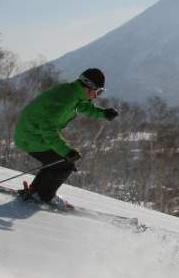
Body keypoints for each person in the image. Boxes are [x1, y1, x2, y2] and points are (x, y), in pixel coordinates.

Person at [13, 68, 118, 207]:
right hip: (31, 136)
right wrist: (67, 151)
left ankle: (35, 192)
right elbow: (48, 129)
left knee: (57, 162)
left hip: (33, 133)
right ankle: (43, 196)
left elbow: (84, 107)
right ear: (88, 87)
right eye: (98, 91)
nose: (96, 96)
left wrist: (103, 113)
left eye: (101, 92)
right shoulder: (65, 99)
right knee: (65, 164)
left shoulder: (74, 93)